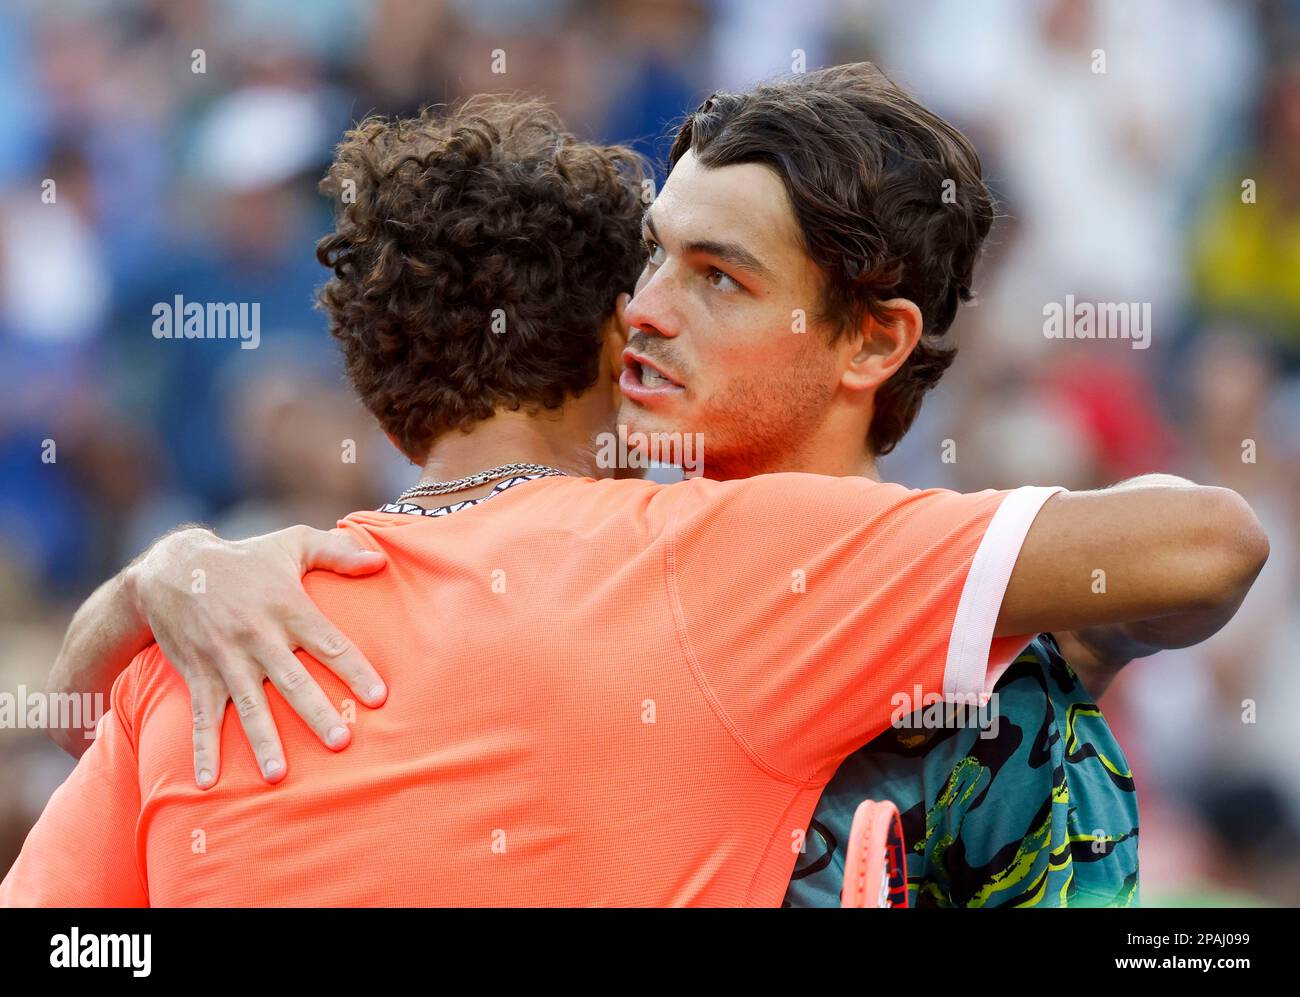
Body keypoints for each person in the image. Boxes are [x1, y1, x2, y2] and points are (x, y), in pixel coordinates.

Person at [8, 71, 1266, 906]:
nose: (642, 314)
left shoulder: (1015, 708)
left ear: (871, 341)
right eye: (651, 257)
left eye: (714, 275)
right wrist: (155, 575)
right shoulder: (250, 611)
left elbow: (1210, 542)